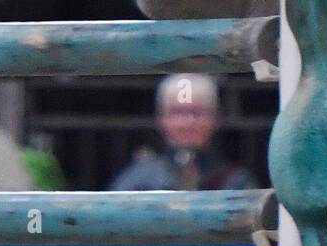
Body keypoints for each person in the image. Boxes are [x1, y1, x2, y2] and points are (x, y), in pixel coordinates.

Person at [108, 73, 253, 191]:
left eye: (197, 112)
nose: (187, 123)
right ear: (161, 119)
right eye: (176, 112)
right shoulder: (138, 180)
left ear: (215, 119)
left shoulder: (237, 182)